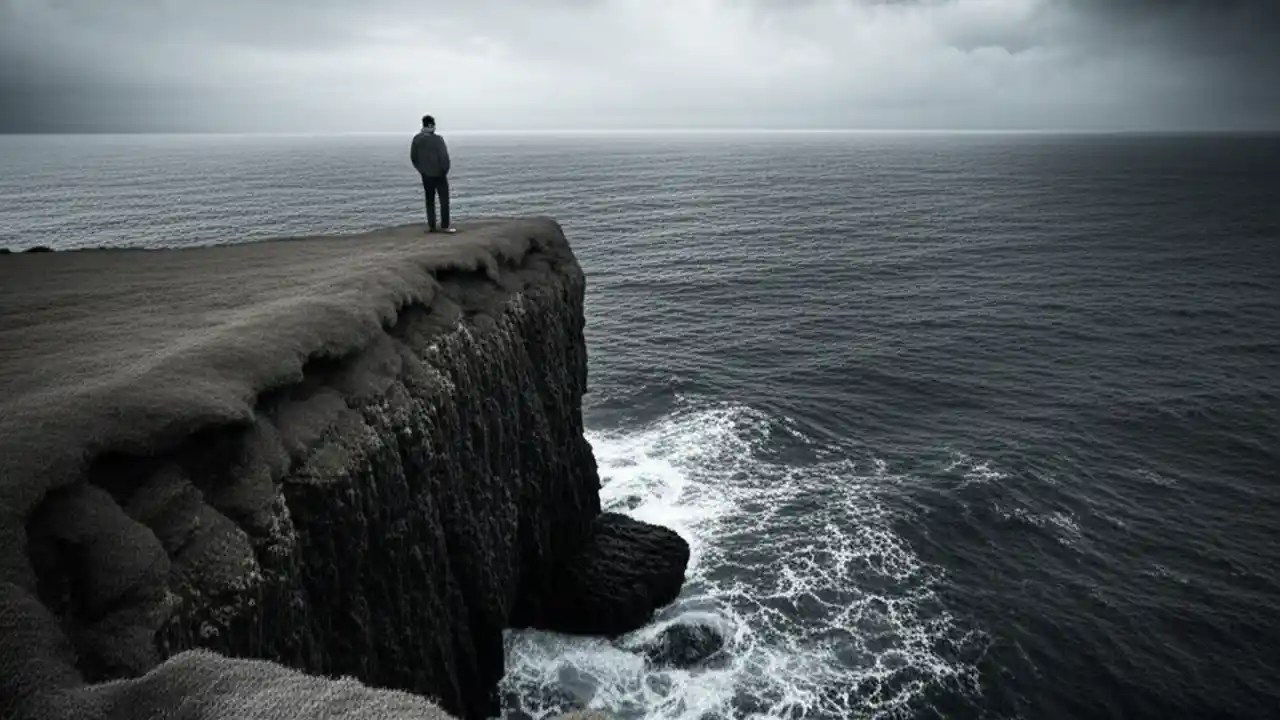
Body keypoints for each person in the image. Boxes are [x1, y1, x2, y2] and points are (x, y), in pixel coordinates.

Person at [410, 115, 455, 233]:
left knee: (430, 201)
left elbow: (414, 158)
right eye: (433, 125)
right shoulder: (437, 139)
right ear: (430, 125)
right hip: (440, 174)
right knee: (444, 200)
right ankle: (445, 226)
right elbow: (444, 157)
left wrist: (422, 170)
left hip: (426, 175)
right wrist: (444, 170)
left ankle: (432, 226)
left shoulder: (417, 139)